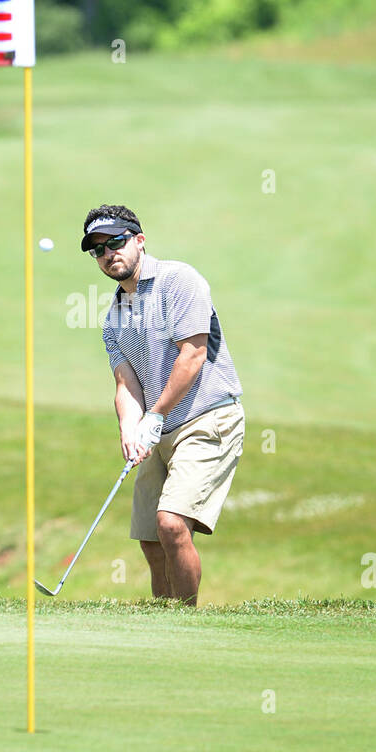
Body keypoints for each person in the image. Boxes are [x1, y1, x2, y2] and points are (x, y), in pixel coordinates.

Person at [80, 205, 244, 607]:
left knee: (171, 525)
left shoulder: (179, 281)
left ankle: (185, 621)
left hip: (208, 418)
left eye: (115, 242)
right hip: (159, 428)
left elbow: (192, 355)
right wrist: (130, 429)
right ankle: (162, 620)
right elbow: (126, 383)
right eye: (97, 250)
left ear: (139, 240)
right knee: (150, 540)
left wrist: (154, 415)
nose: (108, 254)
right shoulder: (113, 319)